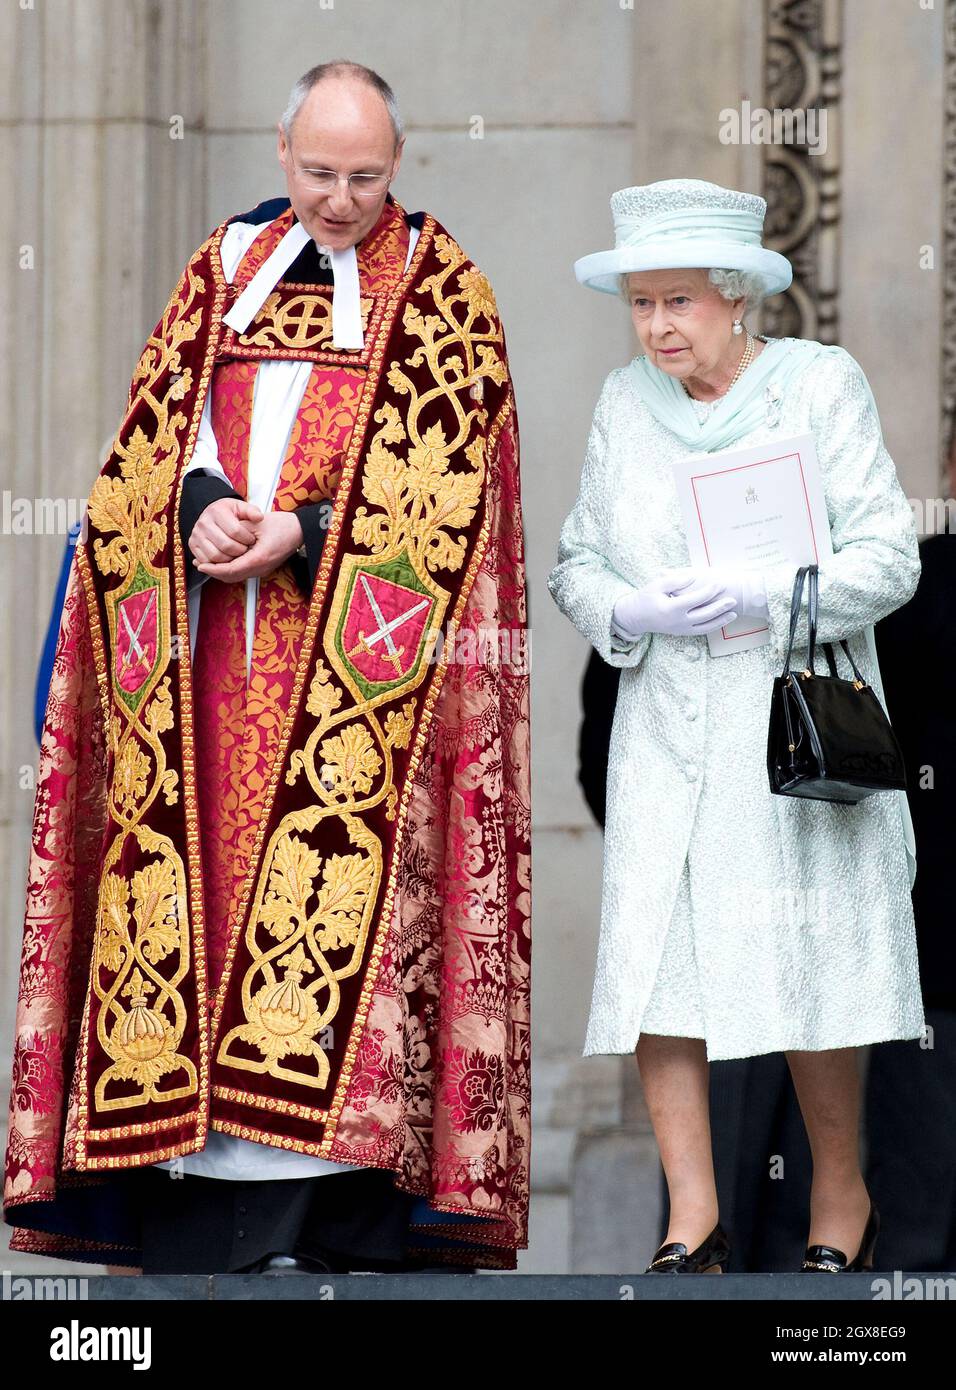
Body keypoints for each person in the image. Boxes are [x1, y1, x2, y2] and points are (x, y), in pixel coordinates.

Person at [4, 60, 531, 1274]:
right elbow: (144, 445)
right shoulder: (221, 272)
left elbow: (457, 487)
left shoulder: (439, 288)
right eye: (317, 173)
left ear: (396, 165)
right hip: (202, 680)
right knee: (201, 925)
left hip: (360, 697)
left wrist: (302, 527)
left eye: (365, 177)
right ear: (278, 148)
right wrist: (192, 510)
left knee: (334, 926)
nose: (340, 200)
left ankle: (339, 1228)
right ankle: (199, 1229)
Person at [548, 179, 923, 1275]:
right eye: (639, 303)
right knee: (659, 966)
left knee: (808, 959)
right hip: (665, 727)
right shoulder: (624, 403)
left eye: (677, 301)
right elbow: (577, 560)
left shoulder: (816, 385)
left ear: (733, 295)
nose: (656, 325)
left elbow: (888, 555)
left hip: (786, 721)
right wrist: (630, 609)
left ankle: (837, 1202)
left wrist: (775, 595)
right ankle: (691, 1219)